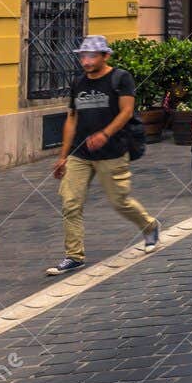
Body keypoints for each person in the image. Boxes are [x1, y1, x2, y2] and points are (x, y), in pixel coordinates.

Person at [45, 36, 159, 276]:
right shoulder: (78, 82)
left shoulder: (120, 78)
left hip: (113, 151)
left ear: (105, 56)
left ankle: (150, 226)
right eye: (82, 56)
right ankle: (74, 256)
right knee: (70, 202)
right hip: (80, 153)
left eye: (91, 56)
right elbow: (72, 118)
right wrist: (63, 156)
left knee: (120, 201)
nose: (86, 61)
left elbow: (127, 111)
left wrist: (105, 134)